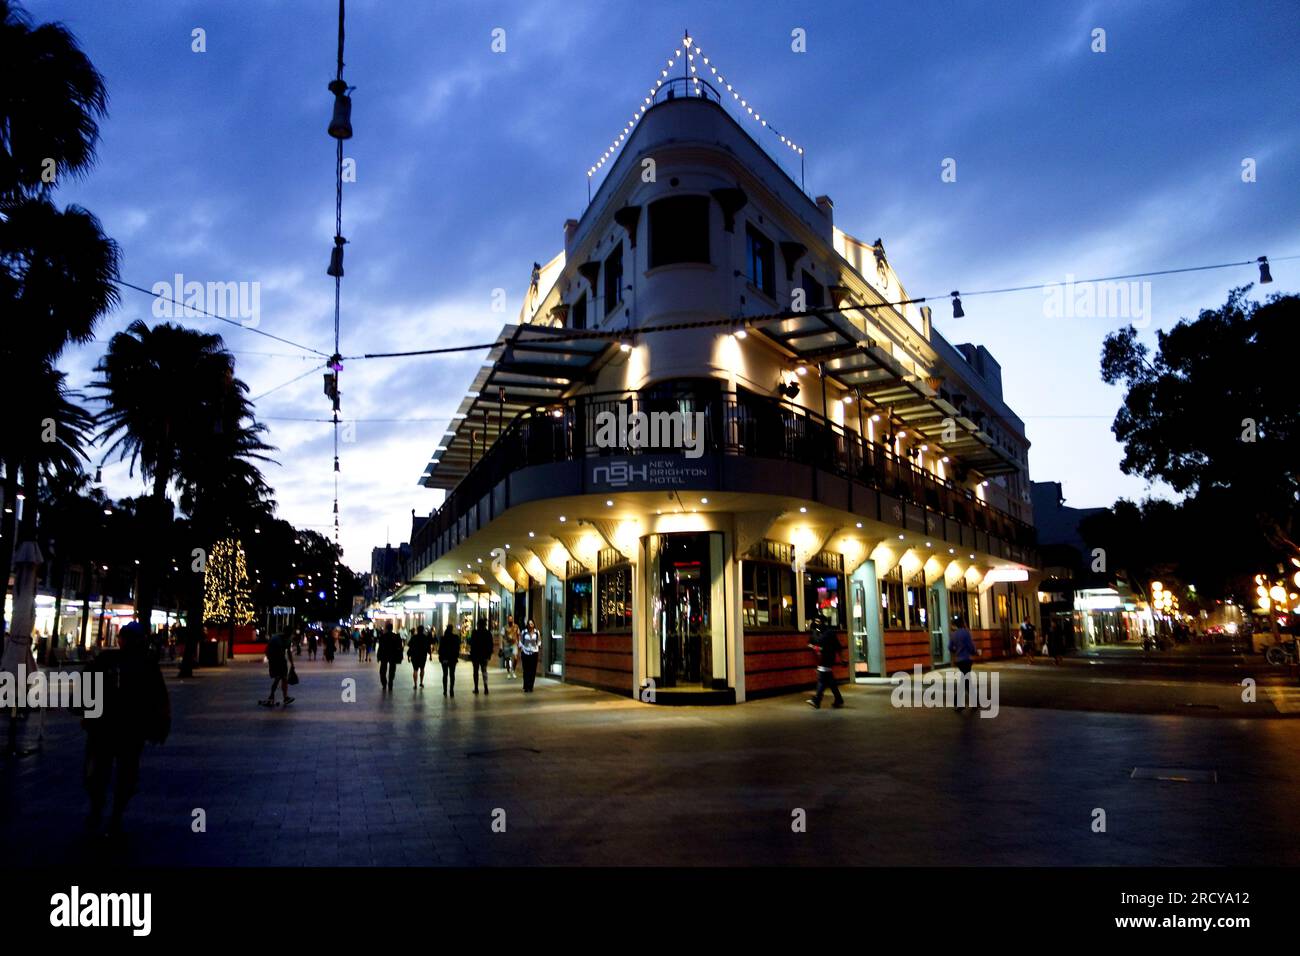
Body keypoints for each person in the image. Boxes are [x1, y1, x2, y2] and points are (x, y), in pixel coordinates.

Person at [81, 621, 170, 836]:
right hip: (130, 730)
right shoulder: (146, 664)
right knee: (125, 774)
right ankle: (114, 814)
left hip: (104, 729)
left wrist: (86, 714)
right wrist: (159, 726)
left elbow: (86, 687)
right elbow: (158, 699)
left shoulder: (106, 660)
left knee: (99, 772)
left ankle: (100, 808)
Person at [805, 611, 844, 709]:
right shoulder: (815, 633)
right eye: (816, 621)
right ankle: (838, 699)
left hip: (828, 658)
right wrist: (814, 647)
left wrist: (842, 659)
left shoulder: (829, 633)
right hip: (820, 659)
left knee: (821, 679)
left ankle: (817, 700)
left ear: (823, 622)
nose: (817, 623)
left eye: (819, 621)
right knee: (830, 680)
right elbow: (809, 643)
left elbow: (837, 646)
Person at [260, 631, 296, 707]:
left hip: (282, 661)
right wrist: (271, 659)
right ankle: (272, 695)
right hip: (275, 661)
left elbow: (289, 652)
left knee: (284, 679)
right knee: (278, 678)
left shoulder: (288, 639)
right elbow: (267, 651)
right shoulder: (275, 639)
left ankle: (285, 697)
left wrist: (292, 664)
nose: (289, 637)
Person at [469, 617, 493, 694]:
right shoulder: (488, 633)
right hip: (484, 655)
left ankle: (476, 688)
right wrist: (489, 654)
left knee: (475, 671)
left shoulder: (475, 633)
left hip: (476, 655)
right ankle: (486, 687)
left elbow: (471, 643)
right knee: (484, 671)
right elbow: (490, 645)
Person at [377, 622, 403, 690]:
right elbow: (400, 647)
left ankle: (384, 684)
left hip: (384, 656)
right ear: (392, 628)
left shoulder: (383, 636)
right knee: (392, 670)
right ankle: (390, 682)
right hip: (393, 656)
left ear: (386, 628)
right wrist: (400, 657)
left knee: (382, 670)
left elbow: (380, 647)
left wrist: (378, 656)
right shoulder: (396, 636)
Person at [519, 618, 542, 692]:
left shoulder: (536, 632)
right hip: (525, 652)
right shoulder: (524, 632)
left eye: (532, 624)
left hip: (534, 653)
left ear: (534, 624)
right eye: (529, 624)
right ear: (527, 625)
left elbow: (539, 641)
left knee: (533, 670)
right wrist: (522, 648)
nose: (531, 625)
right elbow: (521, 641)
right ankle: (526, 685)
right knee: (526, 670)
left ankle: (531, 686)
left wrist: (538, 647)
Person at [438, 623, 460, 697]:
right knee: (452, 674)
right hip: (452, 659)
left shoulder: (443, 638)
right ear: (452, 629)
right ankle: (451, 690)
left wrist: (441, 657)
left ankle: (445, 690)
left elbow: (440, 649)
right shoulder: (455, 637)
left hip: (444, 659)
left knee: (445, 674)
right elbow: (457, 648)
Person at [408, 625, 432, 689]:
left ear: (417, 630)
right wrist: (430, 656)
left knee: (415, 670)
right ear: (423, 630)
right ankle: (421, 683)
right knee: (422, 669)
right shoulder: (425, 637)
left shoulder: (414, 637)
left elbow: (409, 645)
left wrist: (409, 655)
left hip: (415, 656)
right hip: (423, 656)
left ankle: (415, 684)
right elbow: (428, 647)